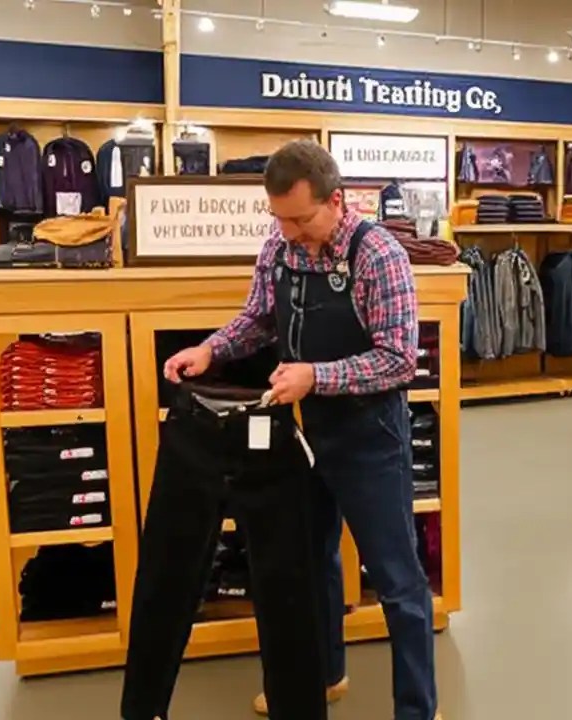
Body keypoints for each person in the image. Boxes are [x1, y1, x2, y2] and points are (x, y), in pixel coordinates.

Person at [162, 140, 439, 720]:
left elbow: (398, 361)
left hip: (370, 439)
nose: (287, 231)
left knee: (397, 580)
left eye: (300, 218)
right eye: (279, 218)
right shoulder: (279, 248)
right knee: (310, 564)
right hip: (302, 434)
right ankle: (323, 676)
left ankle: (418, 708)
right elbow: (259, 318)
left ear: (336, 201)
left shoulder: (378, 256)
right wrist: (211, 349)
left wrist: (317, 376)